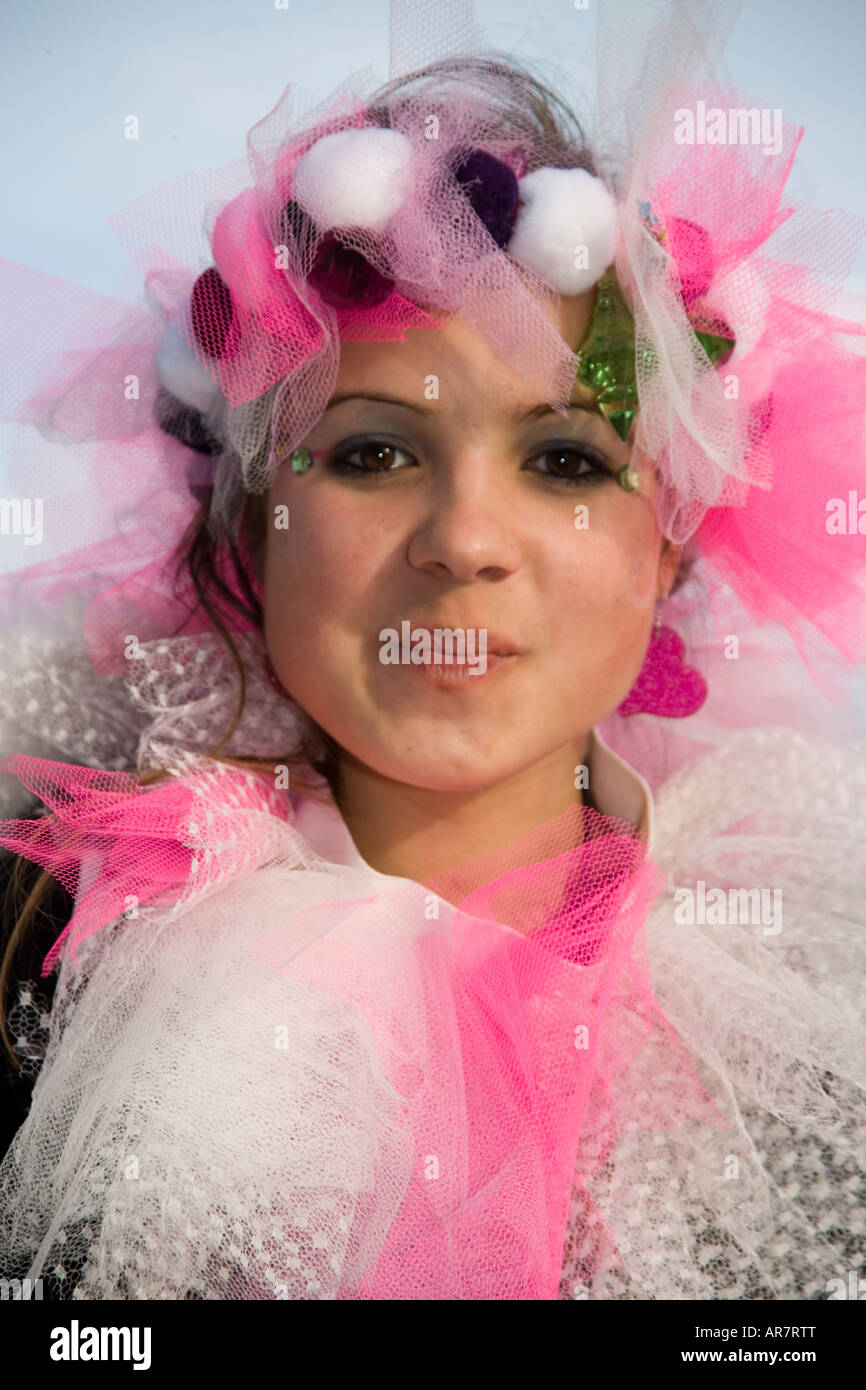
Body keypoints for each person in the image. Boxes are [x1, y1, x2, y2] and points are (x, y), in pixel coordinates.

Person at [0, 0, 864, 1300]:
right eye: (371, 451)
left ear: (668, 546)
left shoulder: (819, 1003)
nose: (464, 540)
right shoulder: (54, 972)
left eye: (564, 458)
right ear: (251, 532)